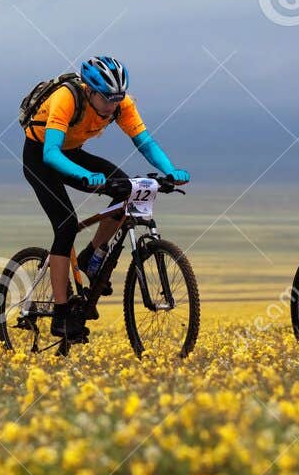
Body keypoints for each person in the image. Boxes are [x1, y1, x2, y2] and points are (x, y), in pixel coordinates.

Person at [22, 55, 190, 340]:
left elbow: (145, 142)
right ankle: (61, 315)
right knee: (65, 226)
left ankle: (91, 257)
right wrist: (85, 177)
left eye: (117, 99)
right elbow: (51, 153)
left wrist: (170, 170)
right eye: (106, 99)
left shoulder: (121, 104)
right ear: (89, 91)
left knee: (127, 191)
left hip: (73, 153)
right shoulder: (67, 98)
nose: (112, 106)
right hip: (40, 158)